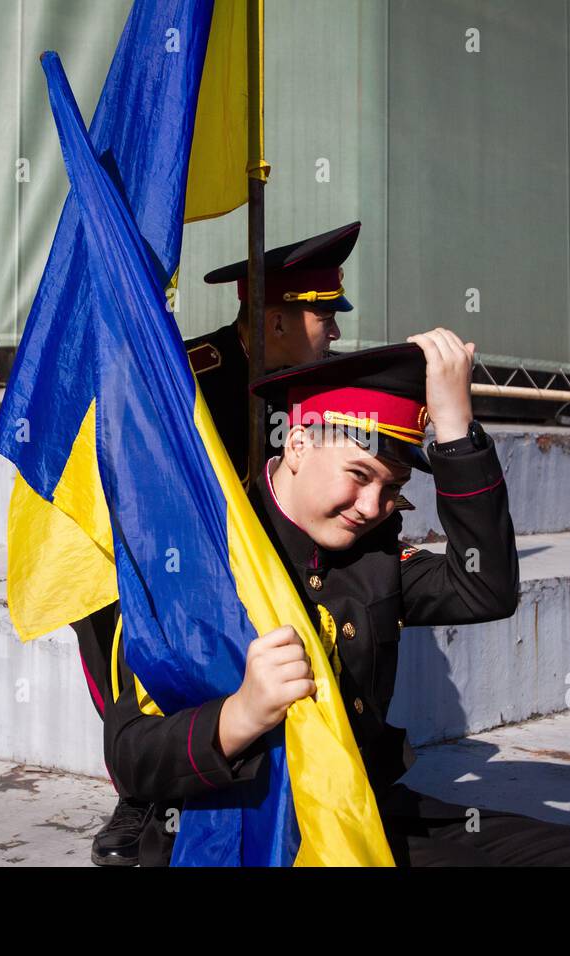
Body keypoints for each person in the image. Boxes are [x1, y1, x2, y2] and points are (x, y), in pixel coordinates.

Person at [103, 328, 570, 866]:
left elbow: (485, 590)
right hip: (246, 832)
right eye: (358, 475)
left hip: (363, 816)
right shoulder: (207, 560)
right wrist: (241, 714)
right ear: (296, 444)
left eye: (392, 488)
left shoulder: (372, 556)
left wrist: (455, 432)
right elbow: (132, 757)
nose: (370, 505)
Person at [74, 222, 360, 865]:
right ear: (276, 320)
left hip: (281, 564)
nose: (336, 332)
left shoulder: (328, 390)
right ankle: (144, 789)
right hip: (187, 567)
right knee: (106, 611)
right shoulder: (193, 373)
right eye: (324, 318)